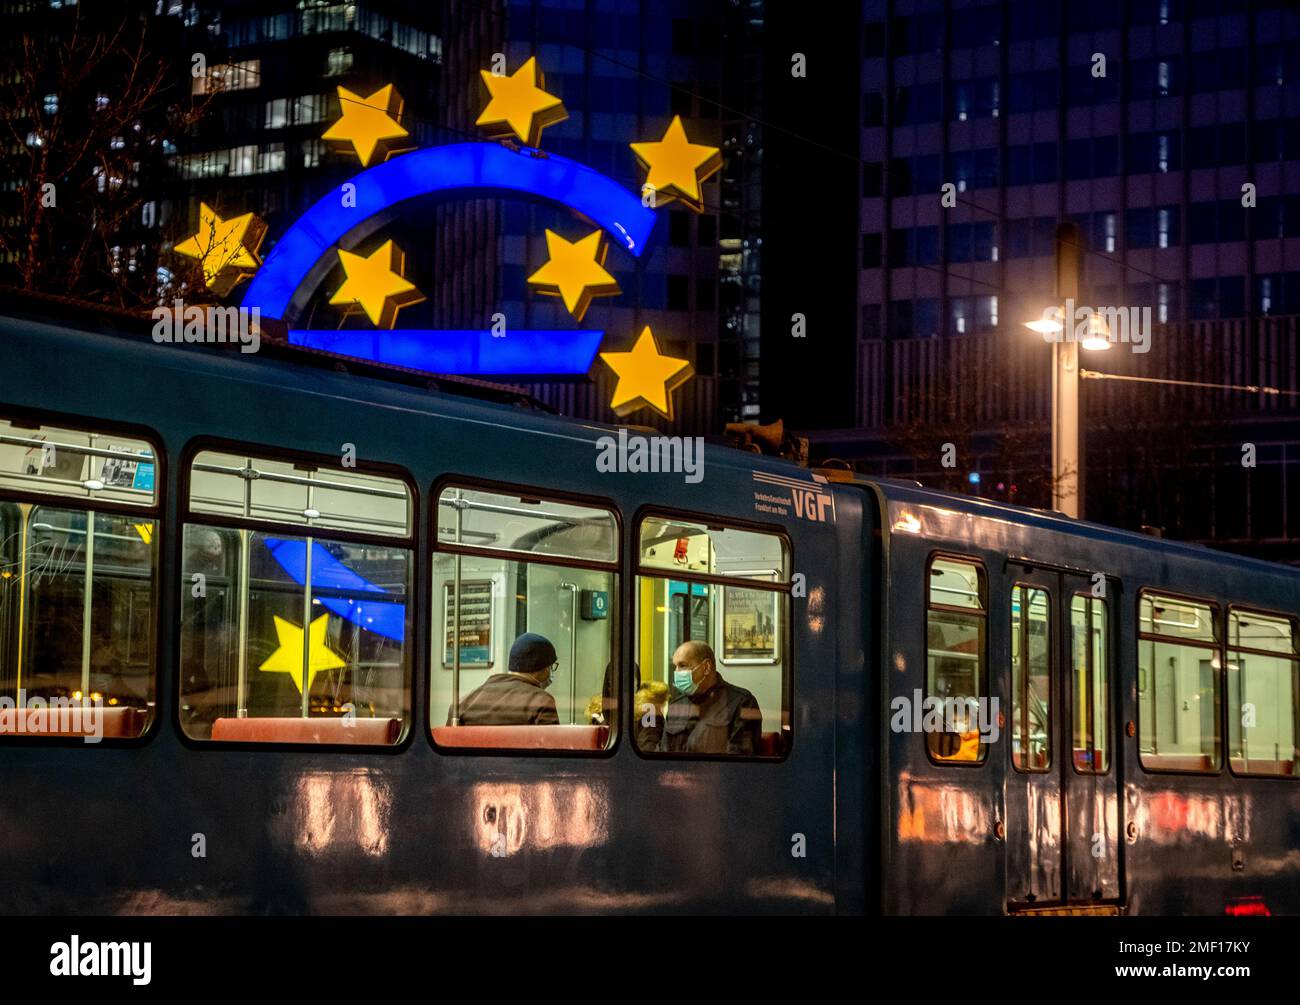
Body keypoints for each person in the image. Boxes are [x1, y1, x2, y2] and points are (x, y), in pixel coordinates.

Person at [658, 641, 761, 754]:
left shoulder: (742, 702)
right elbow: (663, 753)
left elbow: (739, 760)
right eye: (675, 666)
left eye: (682, 666)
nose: (676, 672)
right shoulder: (677, 705)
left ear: (706, 667)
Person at [448, 632, 559, 725]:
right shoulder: (542, 701)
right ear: (544, 668)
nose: (551, 672)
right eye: (551, 667)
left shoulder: (461, 704)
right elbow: (551, 747)